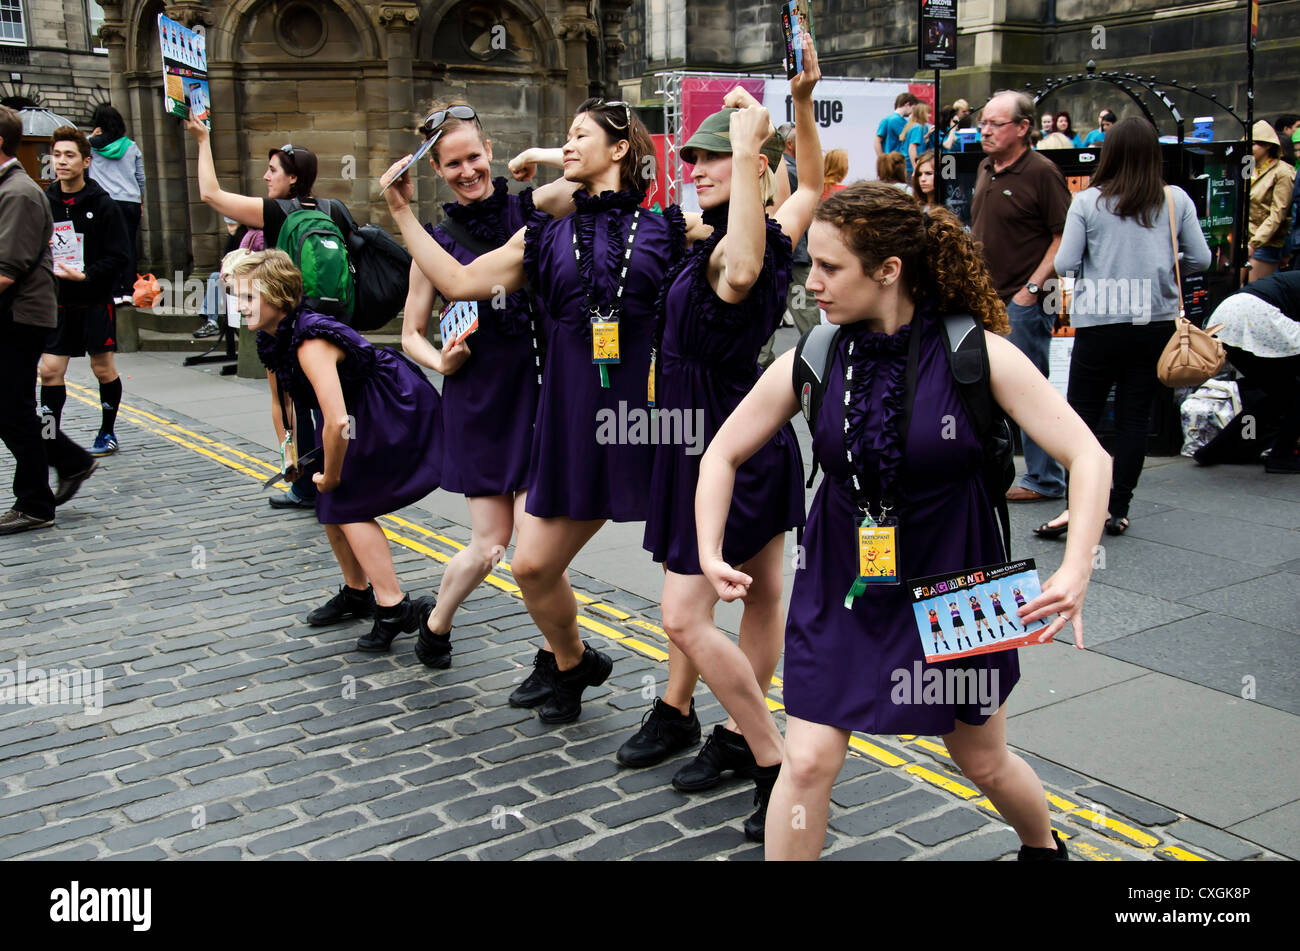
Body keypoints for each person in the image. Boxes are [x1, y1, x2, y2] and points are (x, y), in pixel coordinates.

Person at [695, 181, 1112, 859]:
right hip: (841, 582)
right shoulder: (817, 352)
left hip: (961, 582)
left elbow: (1088, 457)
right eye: (813, 265)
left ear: (888, 270)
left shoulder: (976, 353)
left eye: (831, 267)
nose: (814, 283)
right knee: (806, 762)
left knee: (982, 761)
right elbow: (722, 453)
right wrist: (712, 550)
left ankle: (1042, 846)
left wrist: (1076, 565)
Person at [381, 97, 696, 724]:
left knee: (683, 576)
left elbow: (745, 248)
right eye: (564, 137)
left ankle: (677, 709)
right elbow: (463, 282)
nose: (566, 146)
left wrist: (759, 155)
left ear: (618, 149)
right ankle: (573, 662)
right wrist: (398, 211)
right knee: (527, 562)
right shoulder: (546, 230)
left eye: (577, 137)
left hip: (658, 423)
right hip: (570, 422)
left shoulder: (667, 224)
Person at [622, 48, 823, 843]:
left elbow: (739, 268)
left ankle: (771, 756)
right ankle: (742, 738)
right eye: (693, 156)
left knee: (682, 614)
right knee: (765, 591)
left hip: (726, 443)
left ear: (742, 165)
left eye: (710, 155)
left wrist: (750, 148)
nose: (695, 165)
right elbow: (808, 184)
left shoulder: (745, 251)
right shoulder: (772, 226)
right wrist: (802, 105)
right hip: (727, 435)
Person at [397, 99, 579, 669]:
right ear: (437, 172)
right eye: (453, 164)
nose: (467, 171)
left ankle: (561, 660)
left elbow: (603, 176)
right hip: (478, 399)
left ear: (491, 151)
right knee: (489, 545)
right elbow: (410, 333)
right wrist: (439, 363)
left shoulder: (534, 209)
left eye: (474, 156)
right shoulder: (433, 241)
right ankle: (435, 625)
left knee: (533, 549)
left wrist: (541, 155)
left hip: (543, 391)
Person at [235, 249, 443, 649]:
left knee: (346, 501)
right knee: (328, 501)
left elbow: (337, 422)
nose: (239, 307)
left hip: (388, 404)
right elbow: (283, 403)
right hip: (355, 409)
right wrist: (291, 458)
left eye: (247, 297)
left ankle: (393, 605)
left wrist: (330, 474)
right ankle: (358, 592)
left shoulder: (309, 341)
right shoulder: (271, 336)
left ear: (276, 296)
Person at [1037, 117, 1212, 539]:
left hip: (1099, 321)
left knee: (1081, 416)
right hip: (1154, 321)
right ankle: (1117, 509)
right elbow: (1201, 260)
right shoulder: (1175, 200)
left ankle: (1078, 509)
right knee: (1135, 416)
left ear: (1107, 152)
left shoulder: (1088, 202)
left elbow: (1064, 265)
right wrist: (1165, 273)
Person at [186, 118, 350, 512]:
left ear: (293, 178)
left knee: (291, 401)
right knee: (333, 407)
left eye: (272, 170)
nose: (265, 176)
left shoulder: (276, 212)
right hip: (332, 322)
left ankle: (302, 484)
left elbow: (210, 193)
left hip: (285, 323)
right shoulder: (334, 208)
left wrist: (204, 138)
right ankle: (338, 480)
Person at [0, 106, 97, 535]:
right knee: (10, 409)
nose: (59, 161)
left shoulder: (18, 193)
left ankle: (36, 502)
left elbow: (7, 267)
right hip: (16, 314)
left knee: (12, 409)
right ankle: (70, 462)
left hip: (21, 315)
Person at [972, 90, 1072, 504]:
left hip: (1024, 299)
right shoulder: (985, 167)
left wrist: (1032, 289)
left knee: (1029, 388)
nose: (986, 130)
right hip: (984, 298)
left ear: (1024, 127)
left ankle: (1046, 479)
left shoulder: (1042, 172)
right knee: (982, 384)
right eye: (984, 123)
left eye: (996, 124)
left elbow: (1063, 235)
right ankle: (992, 466)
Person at [38, 126, 129, 460]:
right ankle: (49, 438)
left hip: (92, 299)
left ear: (86, 161)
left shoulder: (103, 205)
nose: (61, 161)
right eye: (57, 155)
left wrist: (87, 274)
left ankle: (107, 432)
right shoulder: (44, 202)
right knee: (49, 371)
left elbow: (119, 257)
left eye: (69, 155)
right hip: (56, 301)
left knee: (102, 368)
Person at [1207, 271, 1300, 473]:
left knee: (1283, 394)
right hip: (1258, 318)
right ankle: (1281, 456)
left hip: (1227, 317)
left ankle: (1217, 450)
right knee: (1289, 394)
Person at [758, 122, 819, 368]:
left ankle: (761, 361)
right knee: (805, 312)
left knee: (770, 309)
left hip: (779, 252)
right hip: (795, 254)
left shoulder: (776, 170)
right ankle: (819, 358)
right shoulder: (791, 172)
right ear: (790, 144)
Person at [86, 105, 145, 307]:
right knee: (128, 245)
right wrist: (141, 199)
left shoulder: (91, 147)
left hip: (104, 201)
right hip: (130, 201)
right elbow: (140, 178)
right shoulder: (131, 146)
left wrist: (90, 136)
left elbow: (78, 153)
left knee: (106, 247)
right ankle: (129, 291)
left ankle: (113, 290)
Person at [1245, 120, 1295, 285]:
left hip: (1265, 242)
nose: (1248, 148)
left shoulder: (1283, 172)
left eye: (1253, 144)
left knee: (1255, 295)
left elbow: (1277, 214)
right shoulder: (1247, 168)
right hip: (1243, 238)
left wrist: (1254, 244)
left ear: (1267, 146)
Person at [875, 92, 918, 158]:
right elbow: (910, 140)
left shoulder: (886, 119)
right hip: (897, 160)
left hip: (889, 159)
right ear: (907, 104)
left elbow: (877, 140)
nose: (913, 112)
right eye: (913, 108)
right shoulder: (899, 121)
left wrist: (882, 159)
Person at [900, 102, 934, 176]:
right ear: (921, 114)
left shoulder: (912, 125)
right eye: (928, 113)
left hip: (905, 165)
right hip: (910, 167)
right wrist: (915, 168)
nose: (930, 115)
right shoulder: (918, 127)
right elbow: (912, 148)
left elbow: (916, 142)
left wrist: (927, 135)